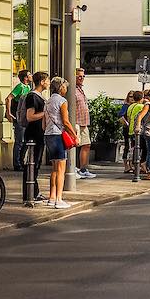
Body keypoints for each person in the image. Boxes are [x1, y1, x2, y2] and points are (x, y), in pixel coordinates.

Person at [43, 77, 76, 209]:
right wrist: (74, 135)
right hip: (57, 135)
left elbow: (43, 123)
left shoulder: (47, 101)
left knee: (54, 169)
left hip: (48, 135)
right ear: (61, 87)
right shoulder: (62, 101)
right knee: (61, 169)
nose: (66, 89)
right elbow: (66, 122)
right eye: (65, 87)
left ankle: (51, 197)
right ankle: (59, 199)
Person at [22, 72, 49, 202]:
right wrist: (45, 113)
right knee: (32, 164)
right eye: (47, 80)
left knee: (35, 164)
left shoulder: (39, 97)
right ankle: (29, 194)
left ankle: (34, 192)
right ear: (42, 82)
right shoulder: (33, 97)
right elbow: (30, 116)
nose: (49, 83)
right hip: (33, 134)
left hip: (38, 133)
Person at [5, 69, 32, 171]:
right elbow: (9, 98)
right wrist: (9, 112)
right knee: (19, 141)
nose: (31, 76)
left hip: (25, 117)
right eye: (29, 75)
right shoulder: (20, 86)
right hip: (19, 117)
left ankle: (21, 161)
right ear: (25, 78)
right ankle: (17, 164)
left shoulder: (28, 87)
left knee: (25, 141)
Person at [72, 68, 95, 180]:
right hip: (76, 122)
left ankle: (83, 169)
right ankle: (72, 169)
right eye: (79, 76)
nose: (81, 78)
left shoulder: (80, 89)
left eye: (83, 76)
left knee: (87, 144)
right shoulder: (72, 90)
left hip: (84, 122)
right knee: (72, 146)